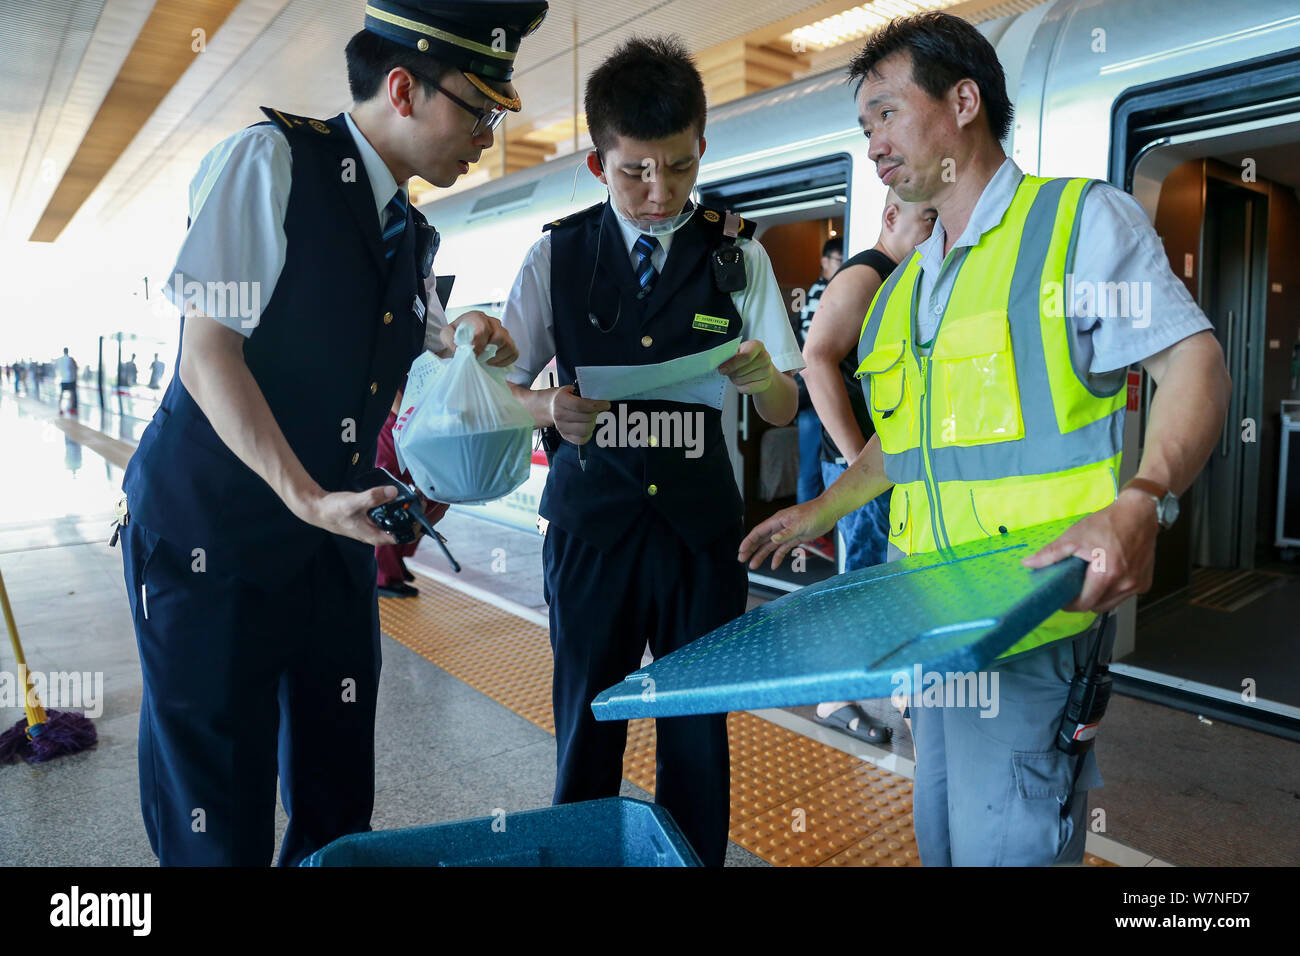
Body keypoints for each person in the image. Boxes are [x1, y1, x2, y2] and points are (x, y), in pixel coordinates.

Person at [740, 11, 1230, 866]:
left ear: (964, 102)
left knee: (1010, 849)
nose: (875, 148)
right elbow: (911, 445)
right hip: (932, 626)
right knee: (945, 845)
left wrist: (1143, 497)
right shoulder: (904, 291)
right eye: (866, 129)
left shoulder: (1075, 227)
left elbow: (1193, 364)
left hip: (1034, 622)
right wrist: (824, 506)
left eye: (888, 115)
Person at [115, 0, 543, 866]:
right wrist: (305, 495)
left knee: (339, 790)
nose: (489, 136)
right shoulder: (269, 163)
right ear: (404, 88)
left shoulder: (410, 233)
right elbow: (209, 354)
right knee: (217, 806)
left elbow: (412, 351)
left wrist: (464, 335)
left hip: (330, 544)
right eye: (480, 110)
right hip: (213, 536)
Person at [501, 35, 801, 867]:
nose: (659, 191)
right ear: (600, 164)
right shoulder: (554, 255)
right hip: (590, 531)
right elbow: (503, 388)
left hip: (701, 537)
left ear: (700, 146)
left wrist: (758, 376)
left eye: (677, 166)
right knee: (587, 722)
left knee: (697, 733)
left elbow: (783, 411)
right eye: (635, 171)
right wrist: (544, 407)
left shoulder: (740, 254)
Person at [802, 191, 936, 744]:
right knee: (859, 585)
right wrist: (859, 458)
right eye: (928, 219)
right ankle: (836, 697)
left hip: (891, 470)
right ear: (891, 218)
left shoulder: (906, 276)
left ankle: (904, 693)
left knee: (893, 585)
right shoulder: (866, 276)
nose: (937, 231)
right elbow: (816, 358)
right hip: (863, 472)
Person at [793, 238, 842, 511]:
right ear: (824, 262)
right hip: (815, 393)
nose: (843, 264)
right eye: (838, 259)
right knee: (812, 466)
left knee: (817, 464)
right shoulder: (818, 294)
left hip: (816, 392)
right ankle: (809, 538)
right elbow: (816, 349)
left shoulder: (827, 290)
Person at [55, 347, 78, 416]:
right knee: (72, 394)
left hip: (63, 379)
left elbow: (56, 368)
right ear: (68, 351)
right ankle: (71, 408)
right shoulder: (70, 359)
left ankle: (60, 409)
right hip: (70, 379)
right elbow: (76, 367)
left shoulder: (59, 360)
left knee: (61, 394)